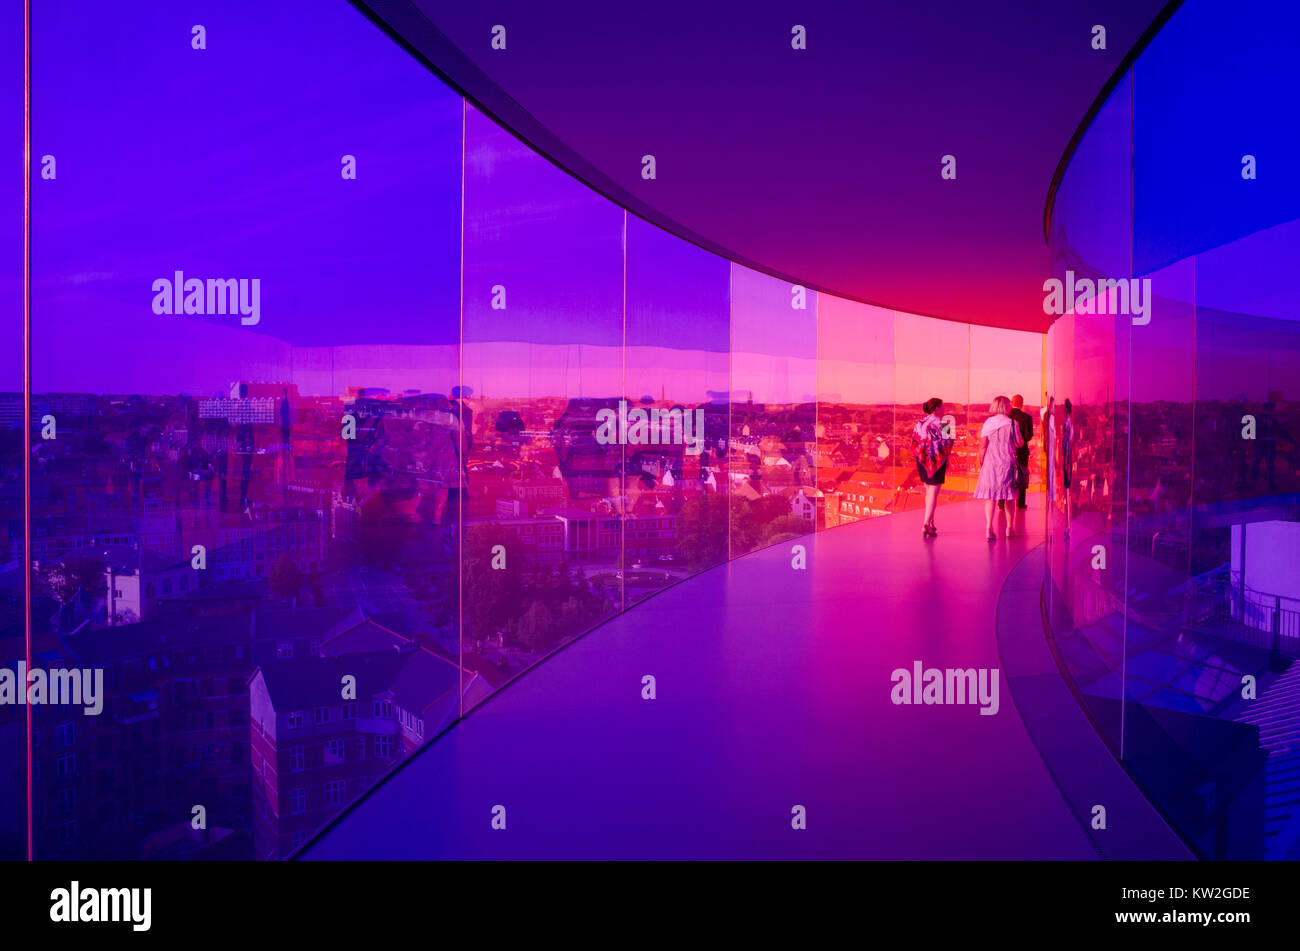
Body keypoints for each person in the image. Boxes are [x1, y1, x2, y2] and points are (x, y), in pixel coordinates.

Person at [975, 396, 1024, 539]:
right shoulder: (1012, 424)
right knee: (1009, 497)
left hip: (990, 464)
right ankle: (1009, 527)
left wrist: (982, 463)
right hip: (1007, 462)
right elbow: (1019, 443)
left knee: (990, 497)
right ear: (1005, 406)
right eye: (1008, 404)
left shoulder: (988, 423)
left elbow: (982, 446)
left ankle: (989, 527)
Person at [910, 397, 953, 538]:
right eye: (943, 407)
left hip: (922, 460)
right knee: (933, 493)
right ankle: (925, 524)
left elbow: (914, 442)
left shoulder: (920, 423)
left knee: (929, 492)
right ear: (936, 408)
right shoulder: (945, 423)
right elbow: (948, 444)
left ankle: (932, 523)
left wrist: (923, 455)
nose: (945, 410)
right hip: (937, 461)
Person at [1009, 394, 1034, 509]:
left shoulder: (1006, 417)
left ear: (1011, 402)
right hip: (1022, 451)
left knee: (1006, 476)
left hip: (1008, 451)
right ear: (1022, 403)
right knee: (1022, 475)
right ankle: (1020, 503)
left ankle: (1002, 503)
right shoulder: (1027, 418)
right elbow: (1028, 437)